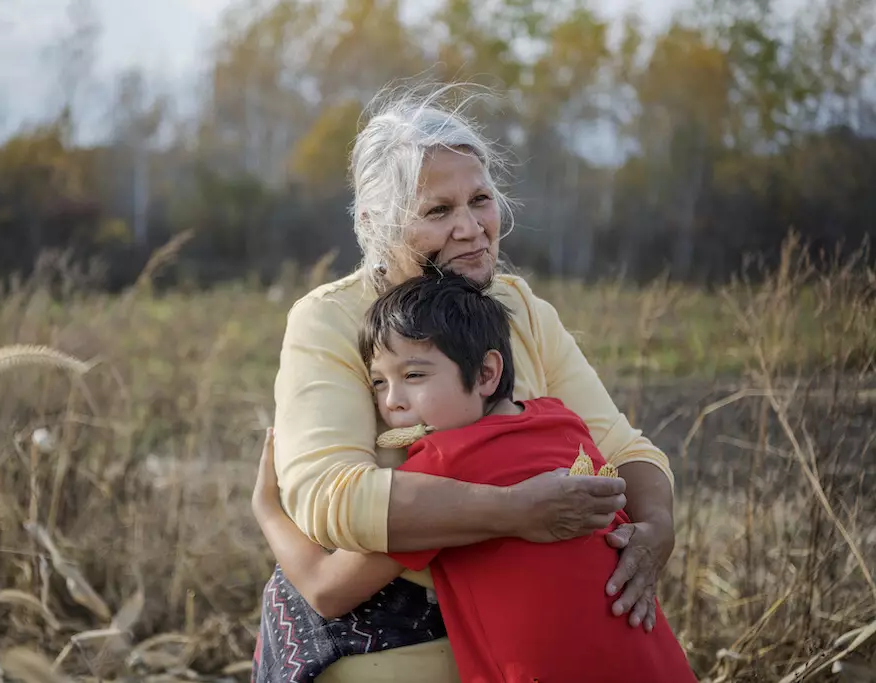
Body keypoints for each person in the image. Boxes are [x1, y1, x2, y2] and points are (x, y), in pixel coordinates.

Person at [255, 82, 676, 683]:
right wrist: (512, 511)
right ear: (375, 223)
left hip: (539, 615)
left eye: (480, 200)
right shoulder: (329, 319)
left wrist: (657, 529)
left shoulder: (519, 306)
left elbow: (620, 447)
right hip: (392, 631)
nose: (471, 227)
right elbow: (335, 499)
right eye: (437, 211)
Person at [252, 272, 697, 683]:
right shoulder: (561, 423)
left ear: (487, 373)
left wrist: (268, 510)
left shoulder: (447, 465)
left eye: (414, 376)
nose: (393, 405)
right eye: (379, 384)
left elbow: (326, 589)